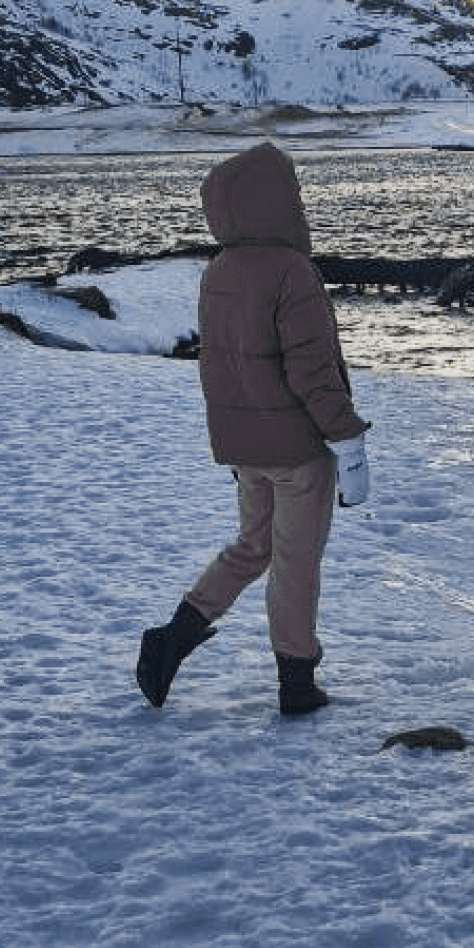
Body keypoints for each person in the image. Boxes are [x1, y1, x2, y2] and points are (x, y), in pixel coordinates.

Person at [135, 141, 370, 715]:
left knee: (253, 547)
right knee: (294, 564)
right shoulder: (292, 271)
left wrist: (235, 439)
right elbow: (312, 371)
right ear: (278, 204)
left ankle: (173, 638)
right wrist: (349, 441)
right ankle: (297, 682)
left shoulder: (220, 269)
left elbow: (220, 363)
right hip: (297, 449)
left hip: (246, 448)